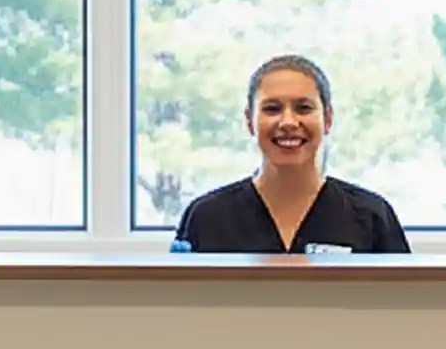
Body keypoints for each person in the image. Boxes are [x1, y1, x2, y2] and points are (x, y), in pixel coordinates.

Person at [172, 54, 411, 254]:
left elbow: (405, 306)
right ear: (249, 121)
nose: (288, 122)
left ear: (327, 119)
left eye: (303, 108)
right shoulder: (206, 218)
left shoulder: (372, 217)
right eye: (272, 109)